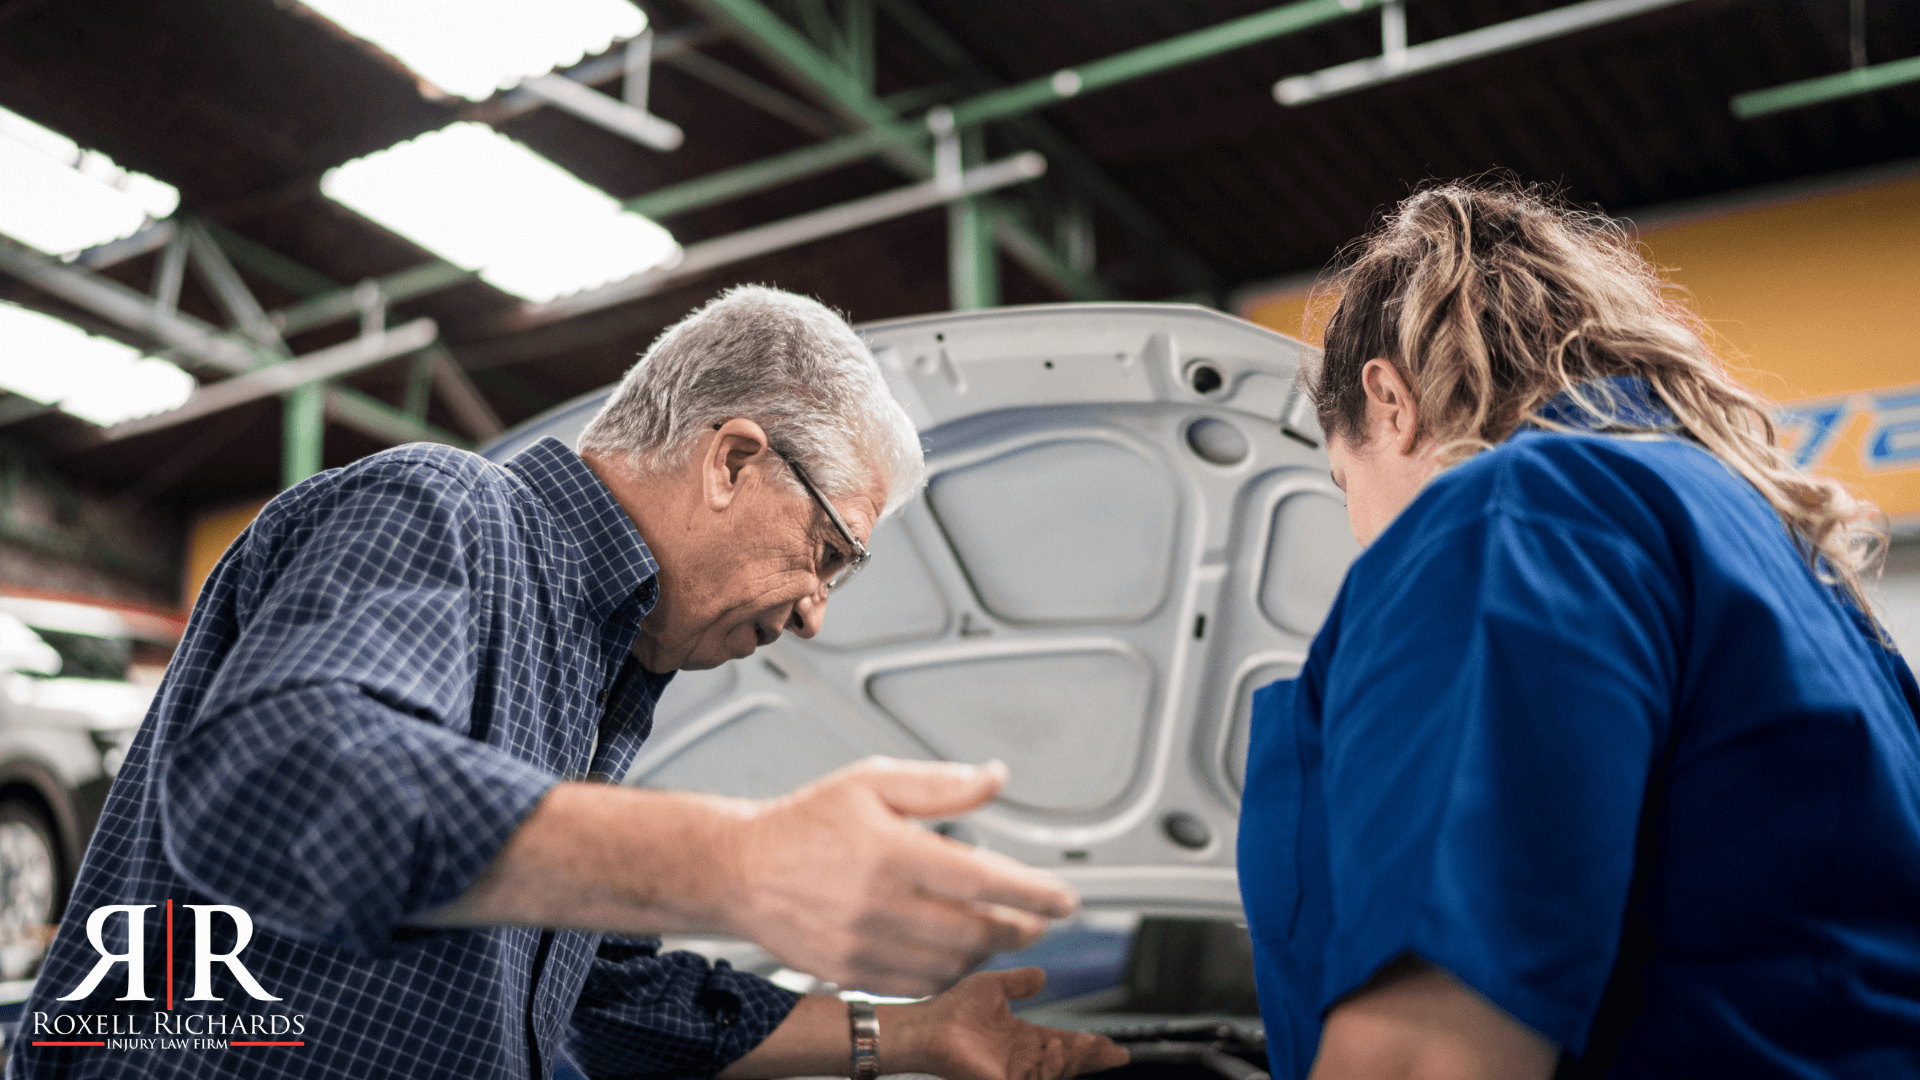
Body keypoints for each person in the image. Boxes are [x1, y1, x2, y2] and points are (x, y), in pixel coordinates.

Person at [16, 286, 1129, 1080]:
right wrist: (739, 864)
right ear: (734, 459)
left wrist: (914, 1034)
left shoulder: (596, 672)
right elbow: (280, 787)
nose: (812, 612)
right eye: (829, 552)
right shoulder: (443, 509)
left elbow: (615, 995)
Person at [1237, 182, 1920, 1079]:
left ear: (1390, 402)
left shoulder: (1507, 519)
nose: (1362, 533)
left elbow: (1425, 1055)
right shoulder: (1791, 563)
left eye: (1342, 482)